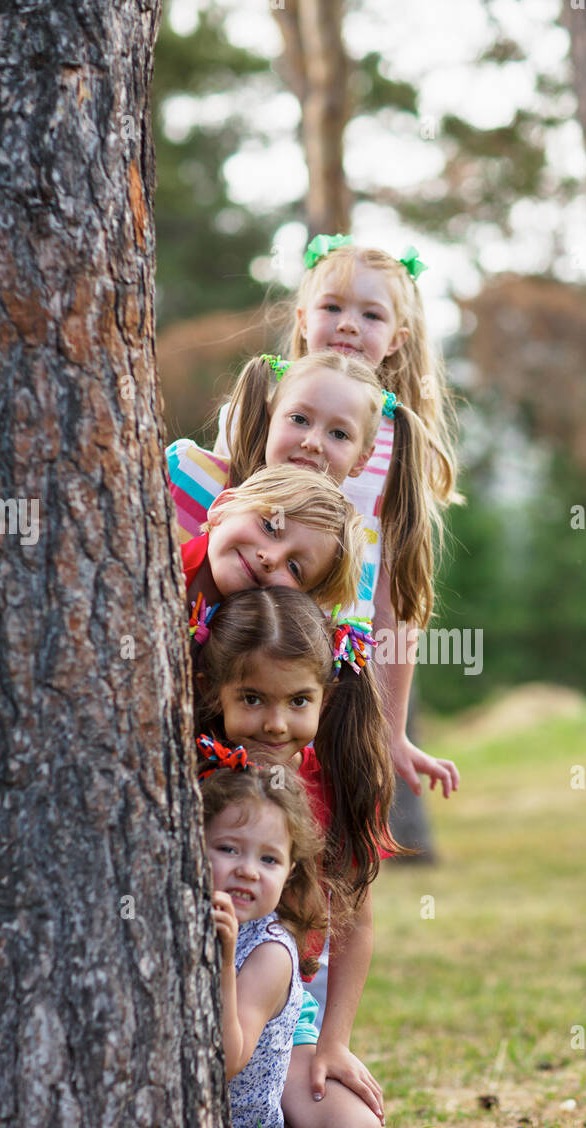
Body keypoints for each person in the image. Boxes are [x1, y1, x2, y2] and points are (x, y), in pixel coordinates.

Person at [207, 237, 462, 797]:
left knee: (342, 817)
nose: (348, 325)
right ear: (302, 316)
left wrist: (393, 732)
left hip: (341, 662)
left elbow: (396, 599)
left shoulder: (397, 447)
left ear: (398, 339)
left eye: (370, 314)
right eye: (332, 307)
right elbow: (206, 531)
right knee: (241, 803)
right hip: (246, 643)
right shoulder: (262, 406)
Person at [194, 586, 397, 1128]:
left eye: (298, 701)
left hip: (286, 992)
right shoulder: (190, 767)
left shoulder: (339, 777)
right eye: (253, 698)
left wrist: (332, 1042)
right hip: (196, 974)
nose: (275, 724)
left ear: (325, 697)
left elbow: (353, 917)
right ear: (214, 690)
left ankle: (268, 1109)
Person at [201, 747, 329, 1128]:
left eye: (269, 858)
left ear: (290, 871)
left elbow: (228, 1061)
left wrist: (222, 962)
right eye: (229, 849)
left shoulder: (269, 952)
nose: (249, 871)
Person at [180, 462, 364, 644]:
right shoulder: (153, 563)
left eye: (294, 567)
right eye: (269, 527)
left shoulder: (265, 659)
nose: (271, 558)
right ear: (224, 505)